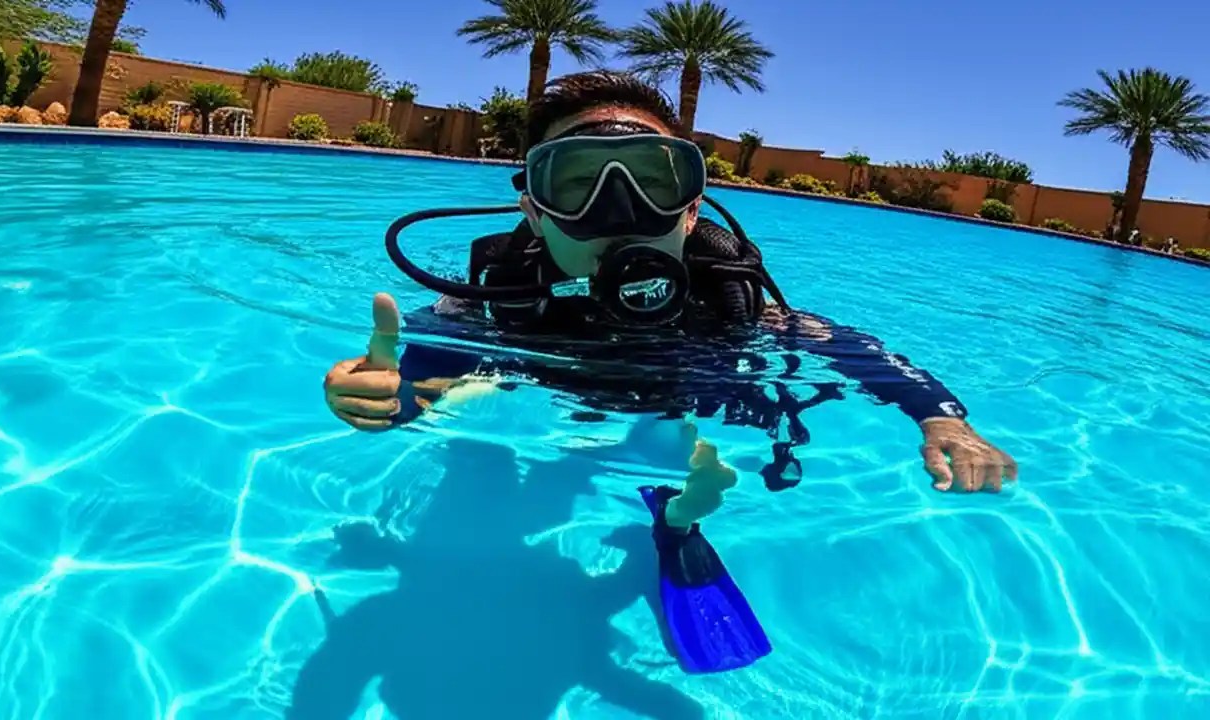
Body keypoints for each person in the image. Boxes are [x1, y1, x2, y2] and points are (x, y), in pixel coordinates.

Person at [325, 69, 1016, 498]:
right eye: (577, 181)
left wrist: (941, 416)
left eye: (652, 180)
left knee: (682, 437)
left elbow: (851, 349)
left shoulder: (731, 292)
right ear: (533, 209)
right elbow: (414, 374)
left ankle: (669, 487)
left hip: (678, 395)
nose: (618, 209)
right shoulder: (493, 300)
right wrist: (383, 395)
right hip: (553, 396)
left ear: (690, 211)